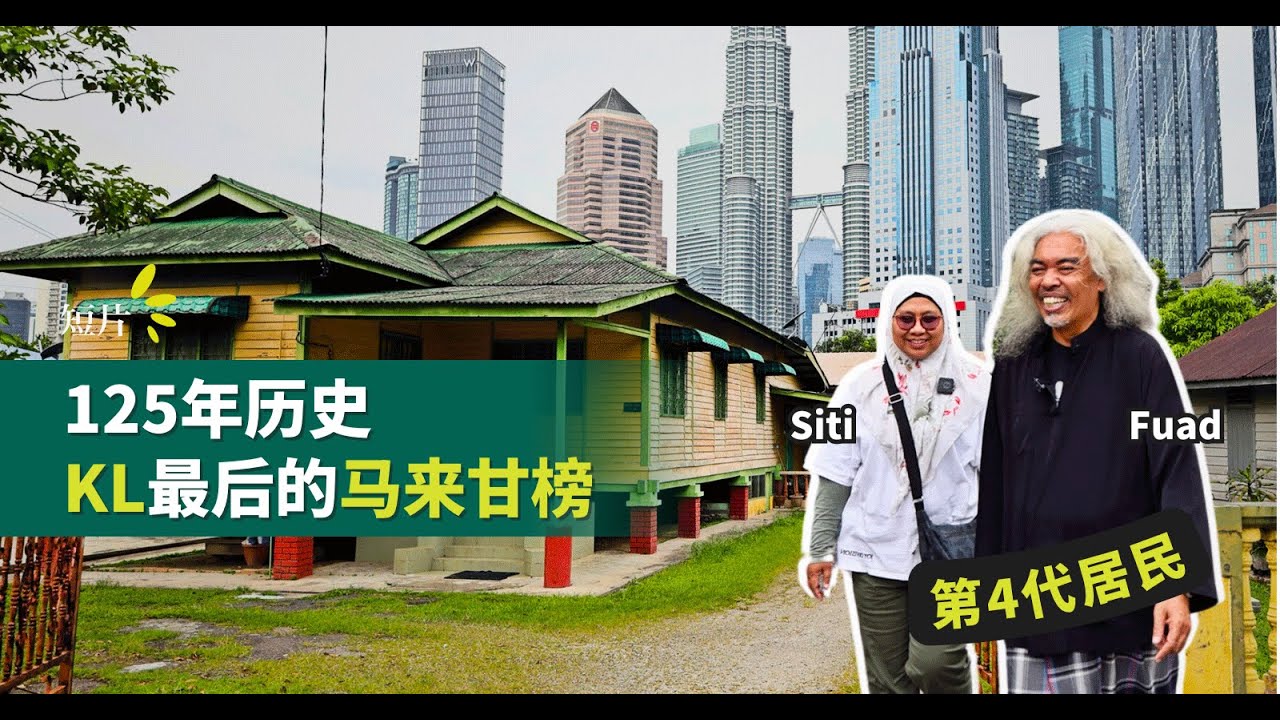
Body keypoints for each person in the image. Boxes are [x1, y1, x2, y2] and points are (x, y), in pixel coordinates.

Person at [975, 209, 1219, 694]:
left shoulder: (1141, 357)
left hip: (1130, 588)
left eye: (1066, 267)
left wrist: (1178, 585)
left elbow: (1176, 470)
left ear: (1103, 279)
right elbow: (995, 484)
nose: (1049, 281)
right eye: (1038, 269)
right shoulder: (1013, 366)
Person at [801, 275, 989, 694]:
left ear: (947, 321)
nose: (917, 329)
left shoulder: (978, 386)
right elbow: (834, 473)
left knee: (935, 664)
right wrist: (820, 549)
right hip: (875, 549)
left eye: (929, 319)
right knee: (887, 679)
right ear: (889, 321)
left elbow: (1000, 475)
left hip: (950, 551)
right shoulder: (857, 386)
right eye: (906, 319)